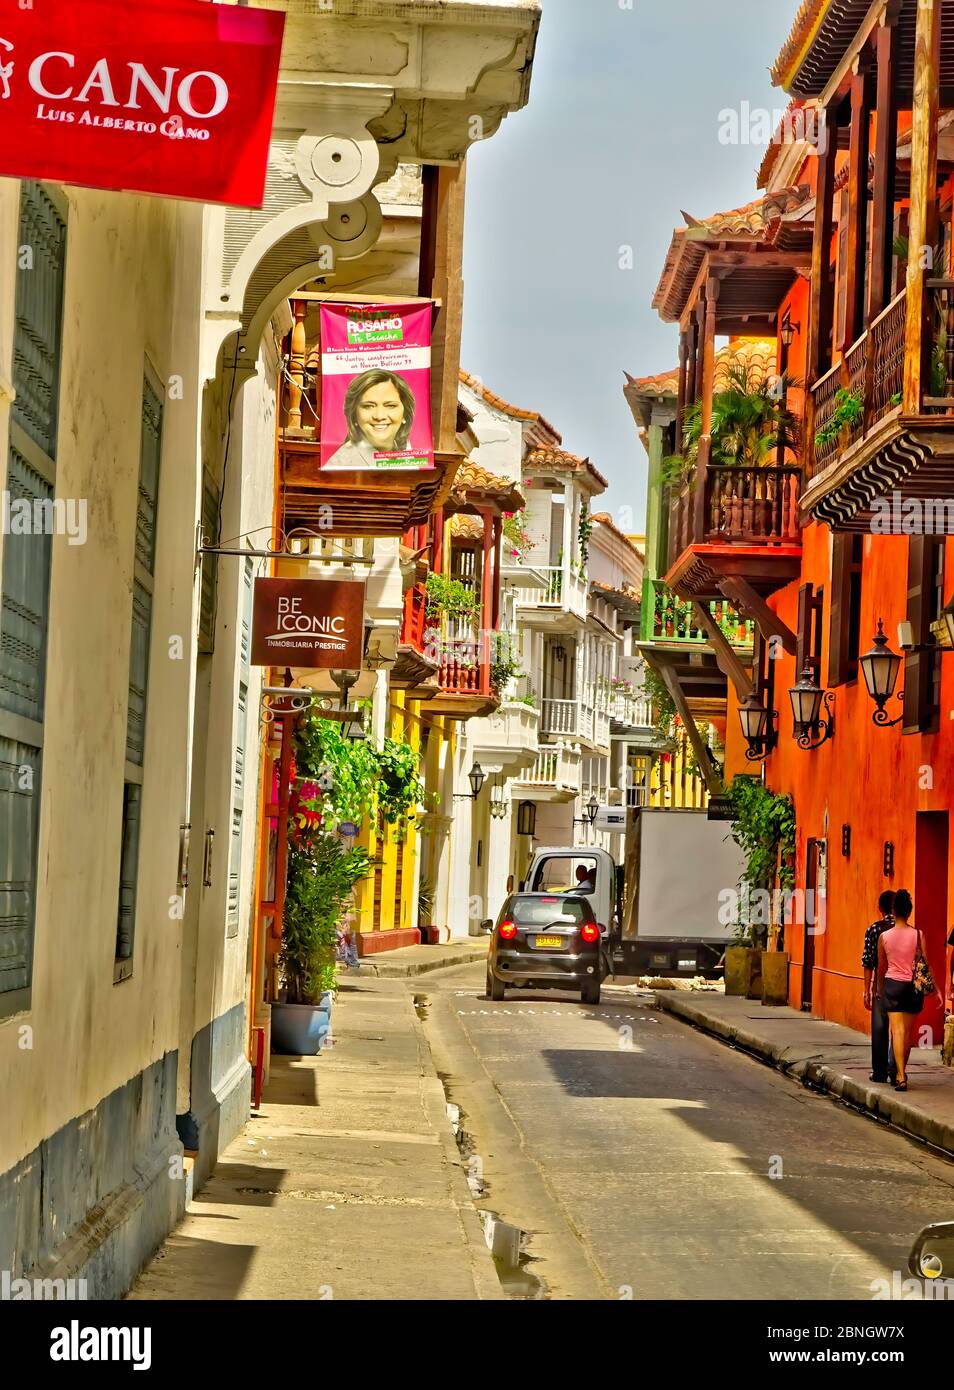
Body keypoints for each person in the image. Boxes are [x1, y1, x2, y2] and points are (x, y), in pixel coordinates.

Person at [876, 888, 936, 1092]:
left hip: (892, 985)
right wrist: (936, 989)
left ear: (893, 911)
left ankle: (900, 1075)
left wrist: (878, 990)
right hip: (913, 987)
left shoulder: (884, 937)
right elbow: (926, 963)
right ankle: (902, 1072)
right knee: (908, 1034)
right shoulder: (918, 935)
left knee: (897, 1031)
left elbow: (881, 967)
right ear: (909, 912)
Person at [324, 369, 416, 469]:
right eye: (368, 406)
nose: (379, 416)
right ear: (354, 415)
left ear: (405, 414)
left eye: (390, 405)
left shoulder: (407, 452)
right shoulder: (341, 464)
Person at [862, 890, 896, 1083]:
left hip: (881, 984)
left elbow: (868, 961)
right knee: (899, 1029)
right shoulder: (907, 929)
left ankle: (880, 1072)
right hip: (902, 982)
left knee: (880, 1028)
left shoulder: (875, 929)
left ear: (880, 908)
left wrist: (866, 989)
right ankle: (895, 1067)